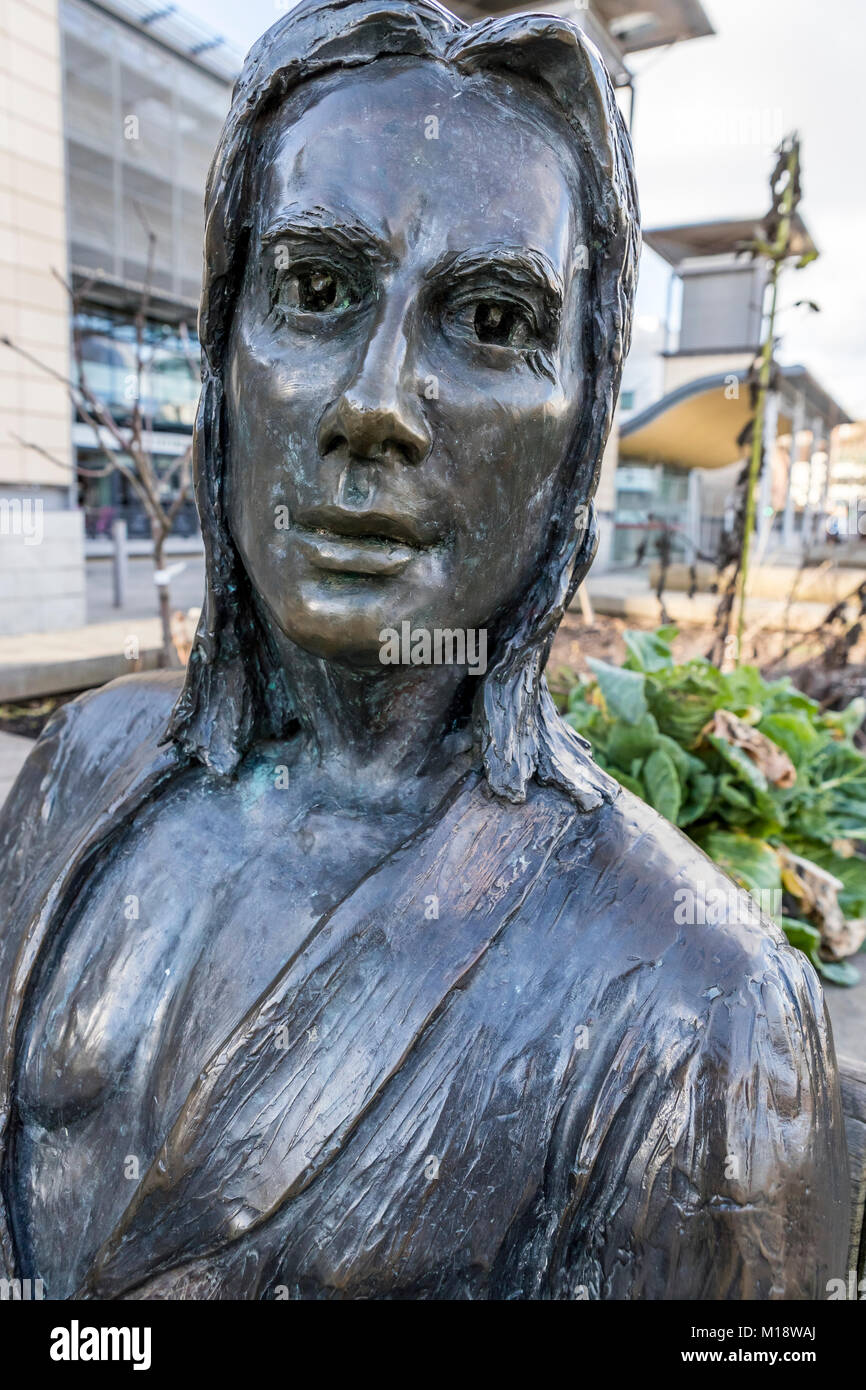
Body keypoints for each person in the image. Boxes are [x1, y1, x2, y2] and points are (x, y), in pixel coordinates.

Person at [0, 0, 849, 1300]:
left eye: (494, 321)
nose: (375, 404)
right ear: (225, 355)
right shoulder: (79, 771)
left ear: (579, 432)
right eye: (316, 291)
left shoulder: (701, 1018)